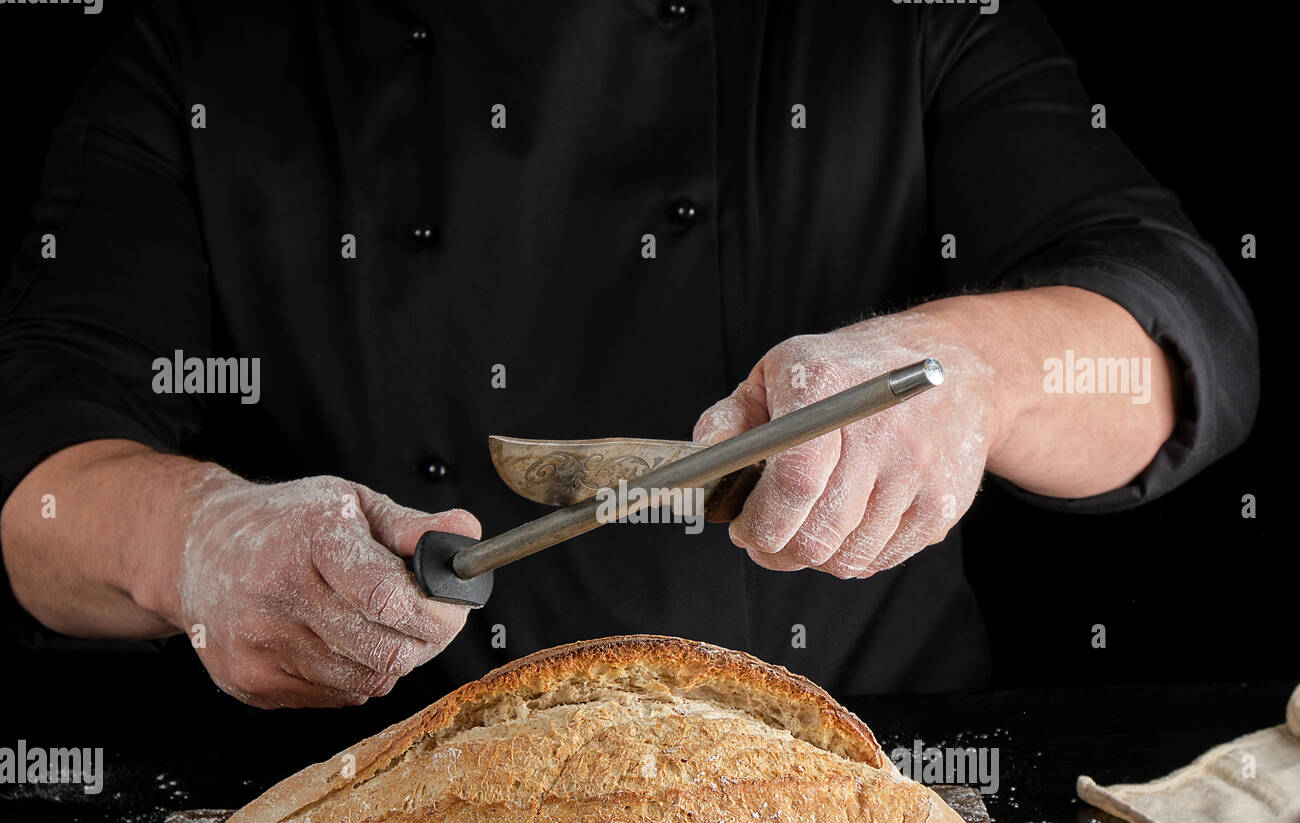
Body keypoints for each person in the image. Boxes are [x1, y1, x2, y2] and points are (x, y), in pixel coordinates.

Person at [0, 1, 1257, 708]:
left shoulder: (901, 22)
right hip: (374, 791)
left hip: (852, 783)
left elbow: (1167, 333)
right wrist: (195, 540)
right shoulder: (202, 50)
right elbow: (41, 486)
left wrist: (968, 372)